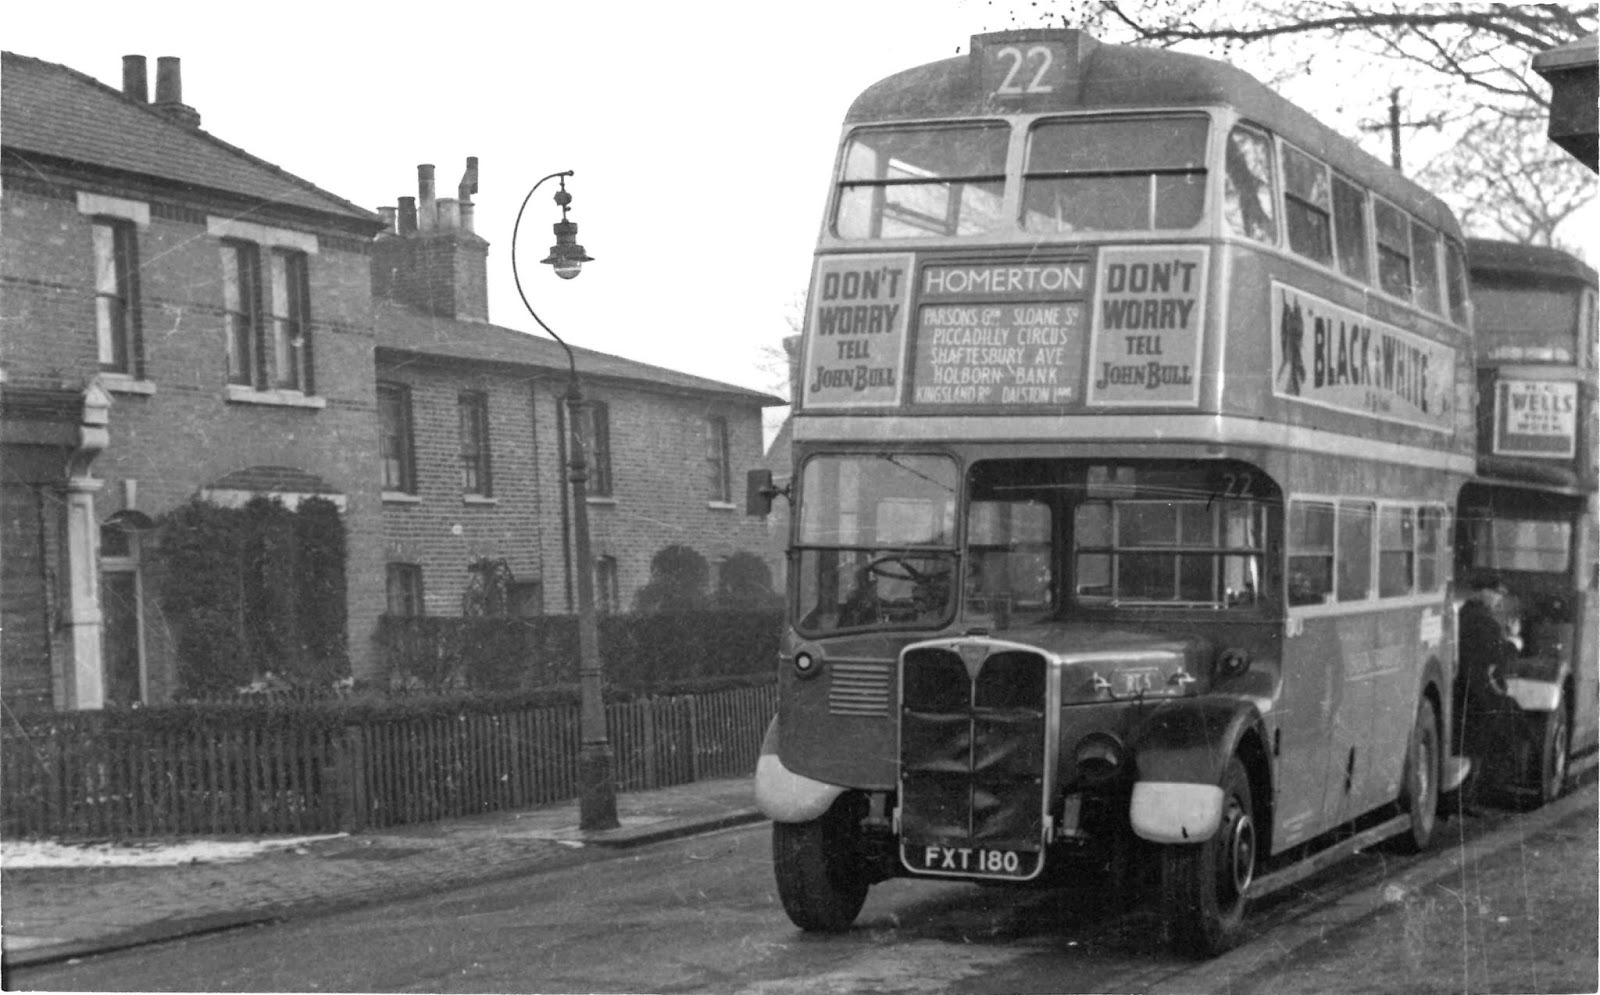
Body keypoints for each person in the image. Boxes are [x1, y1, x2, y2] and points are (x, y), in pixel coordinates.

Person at [1456, 575, 1522, 804]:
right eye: (1495, 593)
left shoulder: (1464, 614)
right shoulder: (1486, 623)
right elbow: (1499, 660)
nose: (1498, 599)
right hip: (1481, 696)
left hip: (1465, 692)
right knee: (1512, 728)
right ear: (1482, 592)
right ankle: (1487, 792)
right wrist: (1513, 641)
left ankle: (1471, 794)